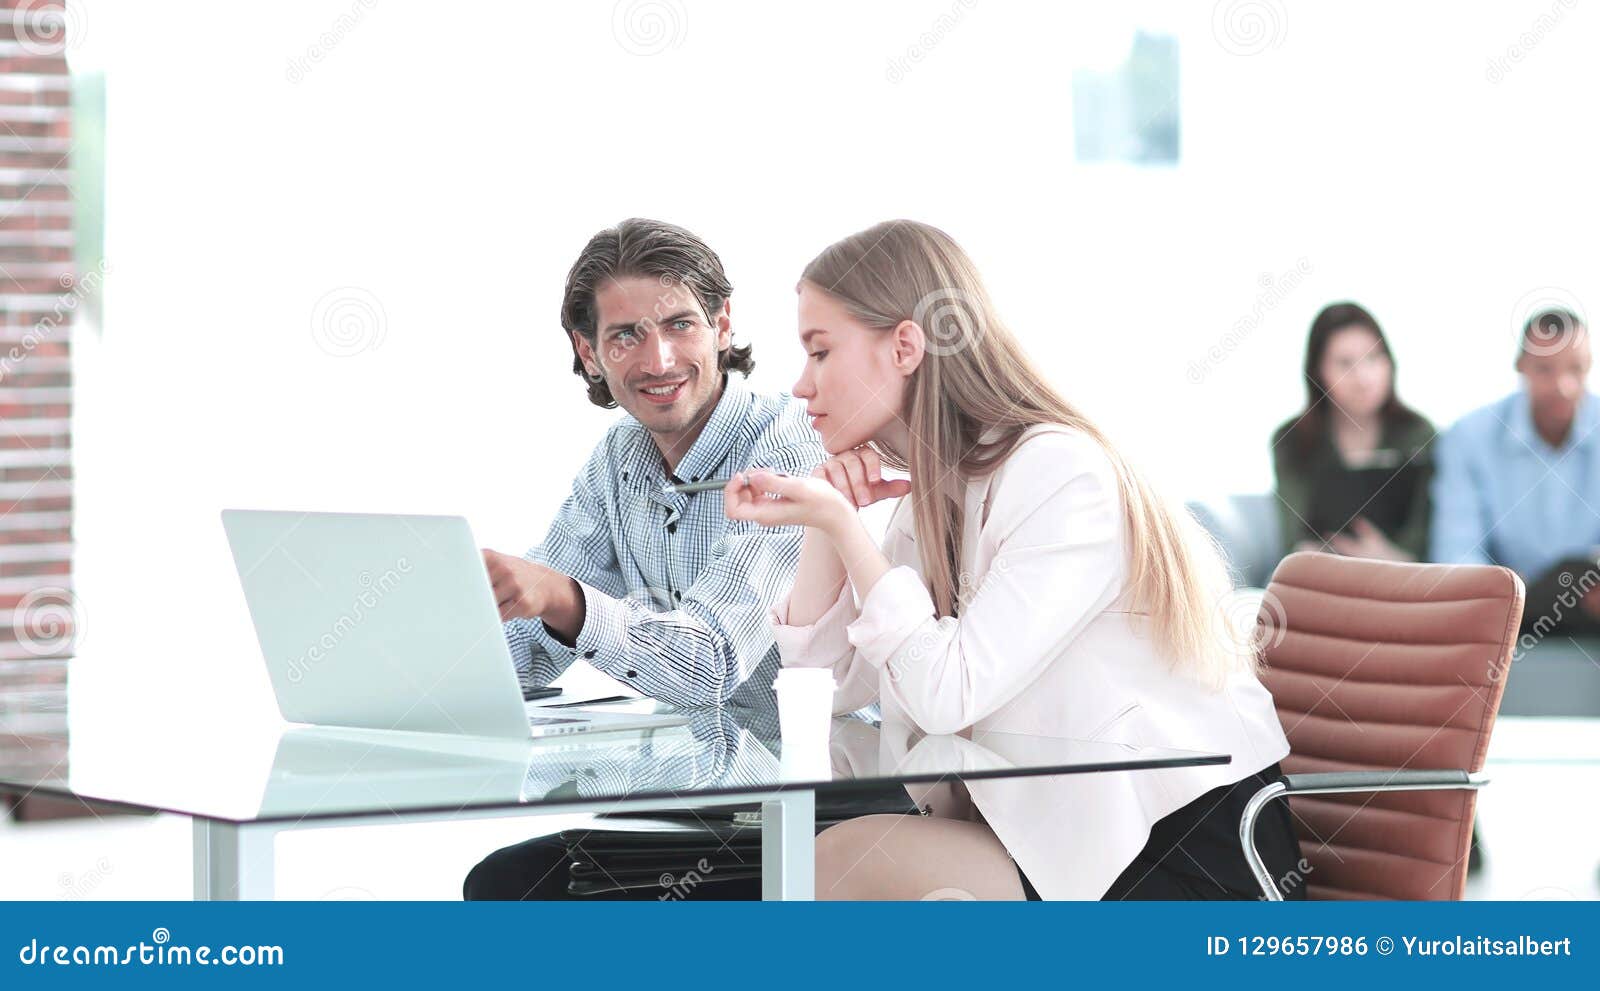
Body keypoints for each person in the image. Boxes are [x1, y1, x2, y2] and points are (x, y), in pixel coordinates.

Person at [725, 219, 1304, 900]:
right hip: (1059, 841)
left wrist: (842, 528)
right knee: (818, 861)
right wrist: (825, 519)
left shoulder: (1061, 475)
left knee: (837, 865)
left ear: (906, 346)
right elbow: (829, 687)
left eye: (820, 352)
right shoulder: (940, 493)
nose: (800, 385)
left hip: (1179, 856)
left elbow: (947, 692)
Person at [463, 218, 827, 900]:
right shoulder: (618, 460)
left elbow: (711, 662)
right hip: (691, 798)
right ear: (589, 350)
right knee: (506, 882)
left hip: (809, 805)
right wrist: (418, 655)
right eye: (626, 334)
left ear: (723, 324)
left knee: (520, 892)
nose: (658, 360)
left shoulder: (791, 445)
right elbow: (531, 650)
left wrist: (563, 597)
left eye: (680, 325)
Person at [1432, 308, 1600, 635]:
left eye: (1576, 369)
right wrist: (1503, 594)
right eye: (1545, 369)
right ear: (1520, 366)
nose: (1563, 386)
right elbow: (1456, 555)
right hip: (1497, 626)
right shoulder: (1470, 437)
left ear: (1591, 364)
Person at [1271, 303, 1435, 561]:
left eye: (1373, 358)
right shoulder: (1291, 440)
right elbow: (1293, 539)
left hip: (1403, 579)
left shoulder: (1419, 434)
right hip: (1323, 577)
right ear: (1318, 371)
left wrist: (1389, 557)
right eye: (1345, 364)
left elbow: (1427, 536)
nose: (1363, 378)